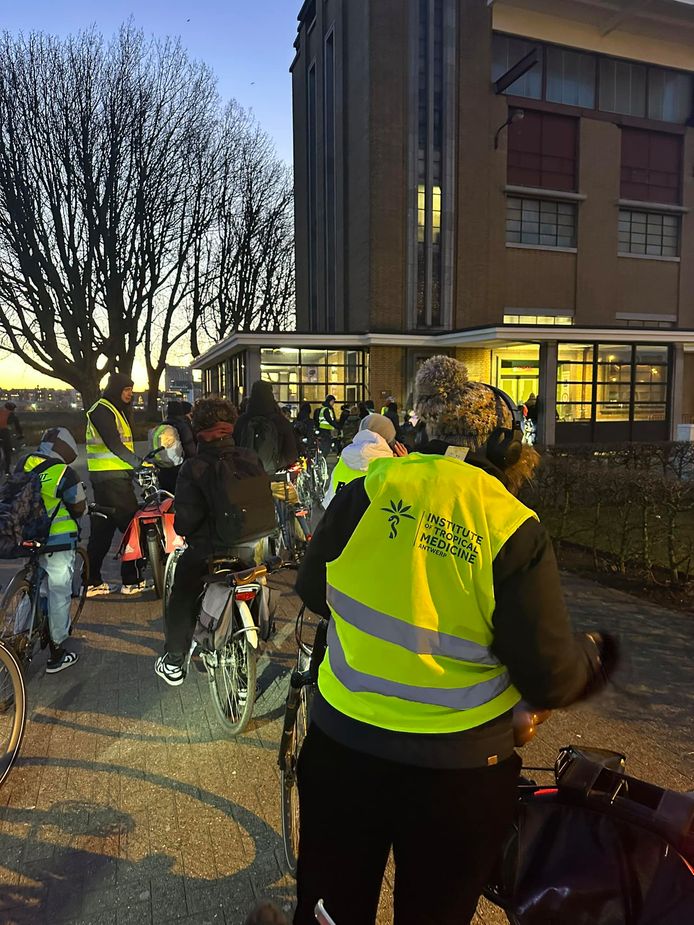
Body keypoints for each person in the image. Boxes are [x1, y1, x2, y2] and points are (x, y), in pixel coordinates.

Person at [293, 355, 618, 925]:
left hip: (343, 747)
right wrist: (593, 654)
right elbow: (547, 676)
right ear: (506, 448)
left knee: (329, 910)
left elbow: (313, 590)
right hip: (458, 776)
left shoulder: (372, 486)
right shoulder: (512, 525)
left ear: (425, 430)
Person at [155, 399, 275, 686]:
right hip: (252, 546)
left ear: (199, 430)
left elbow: (186, 521)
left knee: (182, 595)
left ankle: (174, 661)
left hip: (210, 552)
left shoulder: (194, 467)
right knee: (252, 583)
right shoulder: (249, 458)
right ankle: (248, 665)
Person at [19, 428, 86, 672]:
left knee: (32, 589)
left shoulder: (24, 463)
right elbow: (78, 507)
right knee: (59, 592)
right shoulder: (63, 472)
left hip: (26, 539)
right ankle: (57, 651)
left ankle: (17, 637)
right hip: (57, 541)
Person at [85, 372, 145, 596]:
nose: (130, 393)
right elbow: (113, 443)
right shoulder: (102, 410)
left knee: (102, 531)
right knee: (133, 526)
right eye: (126, 389)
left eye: (131, 389)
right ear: (115, 390)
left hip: (107, 480)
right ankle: (131, 580)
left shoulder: (113, 410)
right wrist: (139, 464)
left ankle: (91, 581)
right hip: (112, 481)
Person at [323, 413, 407, 507]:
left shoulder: (344, 461)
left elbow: (329, 504)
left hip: (343, 520)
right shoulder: (393, 467)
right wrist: (406, 466)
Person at [234, 380, 298, 475]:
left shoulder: (242, 421)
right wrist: (276, 464)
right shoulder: (280, 421)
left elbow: (235, 448)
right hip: (272, 474)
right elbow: (291, 455)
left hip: (246, 475)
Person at [150, 400, 197, 494]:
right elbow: (190, 449)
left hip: (162, 469)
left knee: (166, 497)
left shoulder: (161, 426)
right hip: (180, 469)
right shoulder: (183, 426)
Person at [0, 402, 24, 476]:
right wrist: (20, 435)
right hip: (4, 432)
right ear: (12, 409)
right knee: (7, 451)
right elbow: (17, 427)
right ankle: (7, 471)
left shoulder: (0, 410)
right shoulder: (12, 415)